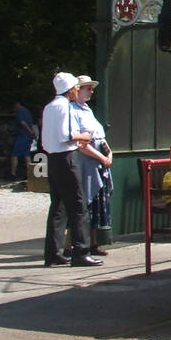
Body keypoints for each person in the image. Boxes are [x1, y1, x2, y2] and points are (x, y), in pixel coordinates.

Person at [41, 71, 101, 267]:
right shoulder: (65, 107)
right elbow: (67, 135)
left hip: (52, 158)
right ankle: (81, 252)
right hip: (66, 158)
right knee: (79, 206)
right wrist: (85, 136)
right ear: (70, 90)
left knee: (58, 206)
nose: (77, 90)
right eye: (76, 87)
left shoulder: (49, 107)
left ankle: (52, 253)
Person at [72, 75, 114, 255]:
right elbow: (82, 144)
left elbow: (98, 136)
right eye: (87, 88)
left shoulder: (87, 109)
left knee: (96, 202)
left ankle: (93, 243)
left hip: (98, 160)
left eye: (91, 88)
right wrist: (101, 157)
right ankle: (75, 245)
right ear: (77, 90)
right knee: (85, 203)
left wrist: (109, 153)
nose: (91, 91)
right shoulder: (72, 110)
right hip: (87, 162)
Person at [10, 100, 38, 179]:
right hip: (28, 137)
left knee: (14, 154)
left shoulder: (20, 112)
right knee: (27, 155)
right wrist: (33, 134)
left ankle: (13, 173)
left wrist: (30, 131)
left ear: (18, 103)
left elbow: (23, 123)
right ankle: (30, 174)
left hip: (22, 135)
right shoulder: (28, 112)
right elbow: (31, 123)